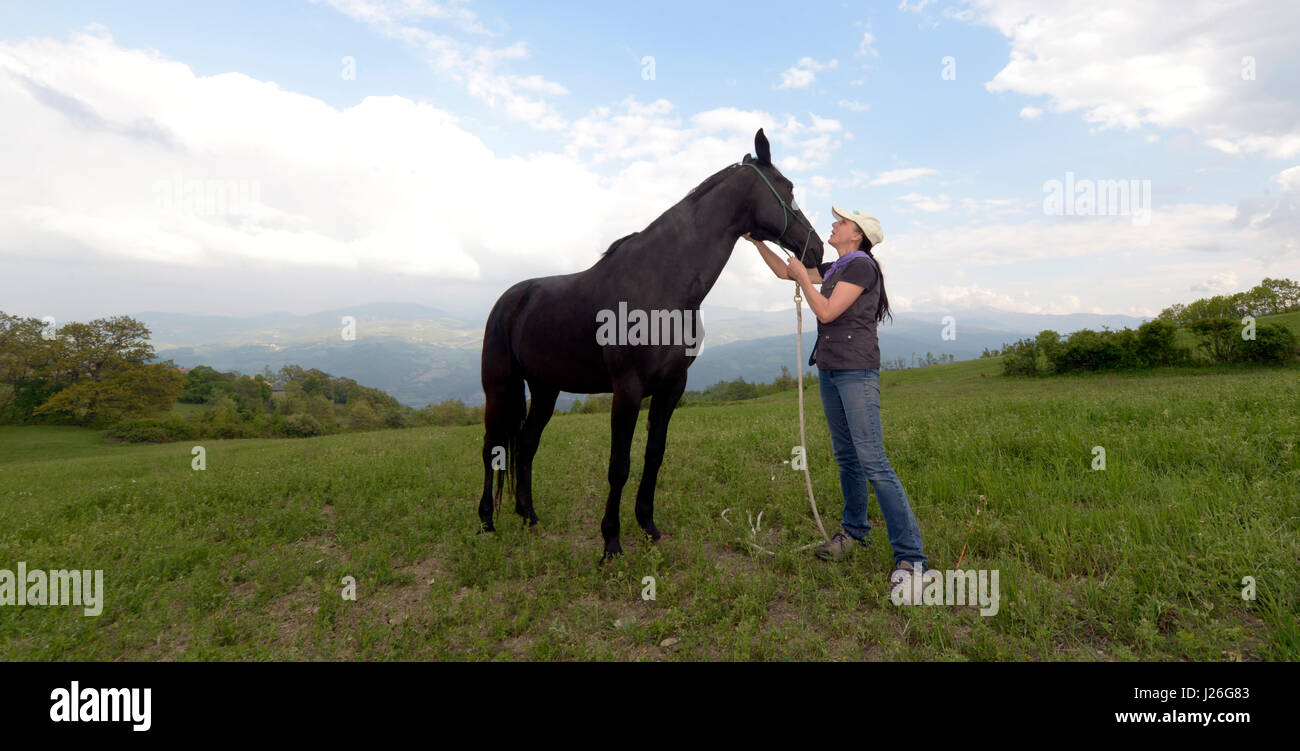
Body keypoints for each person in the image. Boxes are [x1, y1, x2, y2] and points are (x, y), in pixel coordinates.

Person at [745, 207, 928, 594]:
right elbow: (785, 272)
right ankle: (854, 532)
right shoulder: (836, 266)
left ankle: (912, 560)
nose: (833, 225)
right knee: (847, 457)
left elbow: (826, 311)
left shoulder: (860, 268)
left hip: (855, 374)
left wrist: (802, 280)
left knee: (873, 461)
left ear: (857, 236)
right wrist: (757, 242)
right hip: (831, 372)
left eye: (841, 222)